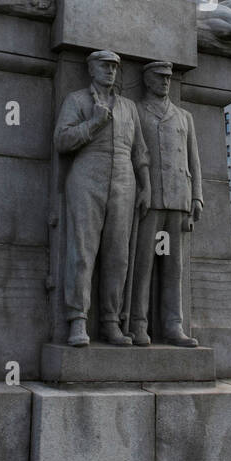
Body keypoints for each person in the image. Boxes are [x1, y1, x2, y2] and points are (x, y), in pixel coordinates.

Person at [54, 50, 150, 346]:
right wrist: (95, 123)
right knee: (83, 250)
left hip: (124, 178)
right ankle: (78, 320)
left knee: (118, 255)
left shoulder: (128, 107)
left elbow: (140, 151)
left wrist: (145, 185)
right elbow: (62, 141)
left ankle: (110, 321)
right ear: (91, 69)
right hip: (87, 173)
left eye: (114, 67)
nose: (110, 71)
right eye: (104, 66)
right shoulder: (77, 100)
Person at [130, 62, 202, 346]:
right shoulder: (136, 110)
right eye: (159, 77)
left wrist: (197, 196)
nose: (165, 82)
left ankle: (173, 325)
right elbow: (135, 152)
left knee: (174, 268)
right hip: (150, 200)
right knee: (143, 265)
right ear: (147, 80)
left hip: (178, 199)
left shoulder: (184, 116)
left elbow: (193, 159)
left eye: (168, 78)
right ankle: (138, 324)